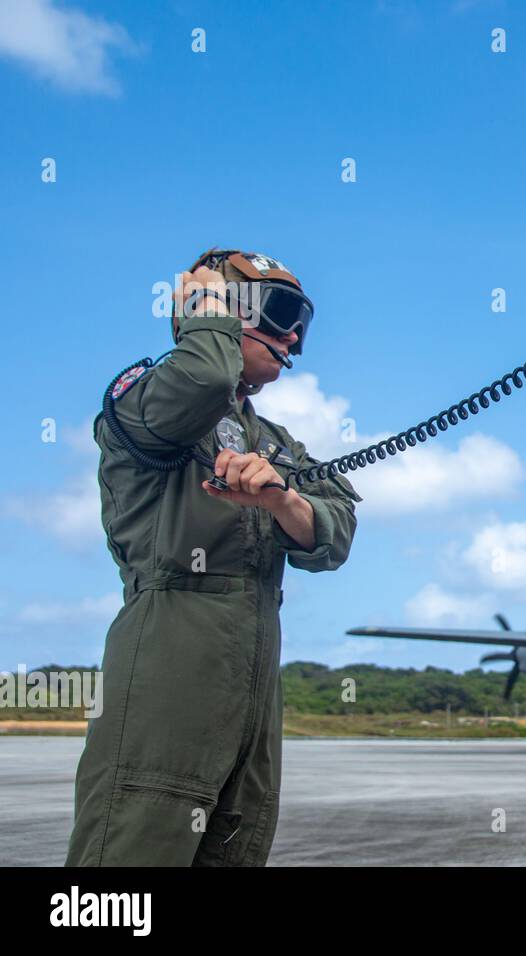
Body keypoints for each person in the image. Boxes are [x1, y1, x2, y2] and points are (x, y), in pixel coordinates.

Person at [66, 249, 360, 866]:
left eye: (302, 319)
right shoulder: (146, 401)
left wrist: (282, 500)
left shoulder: (276, 443)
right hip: (173, 647)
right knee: (134, 847)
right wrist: (205, 310)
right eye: (279, 313)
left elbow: (334, 530)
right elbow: (201, 379)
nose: (294, 336)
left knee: (236, 844)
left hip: (253, 673)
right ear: (223, 311)